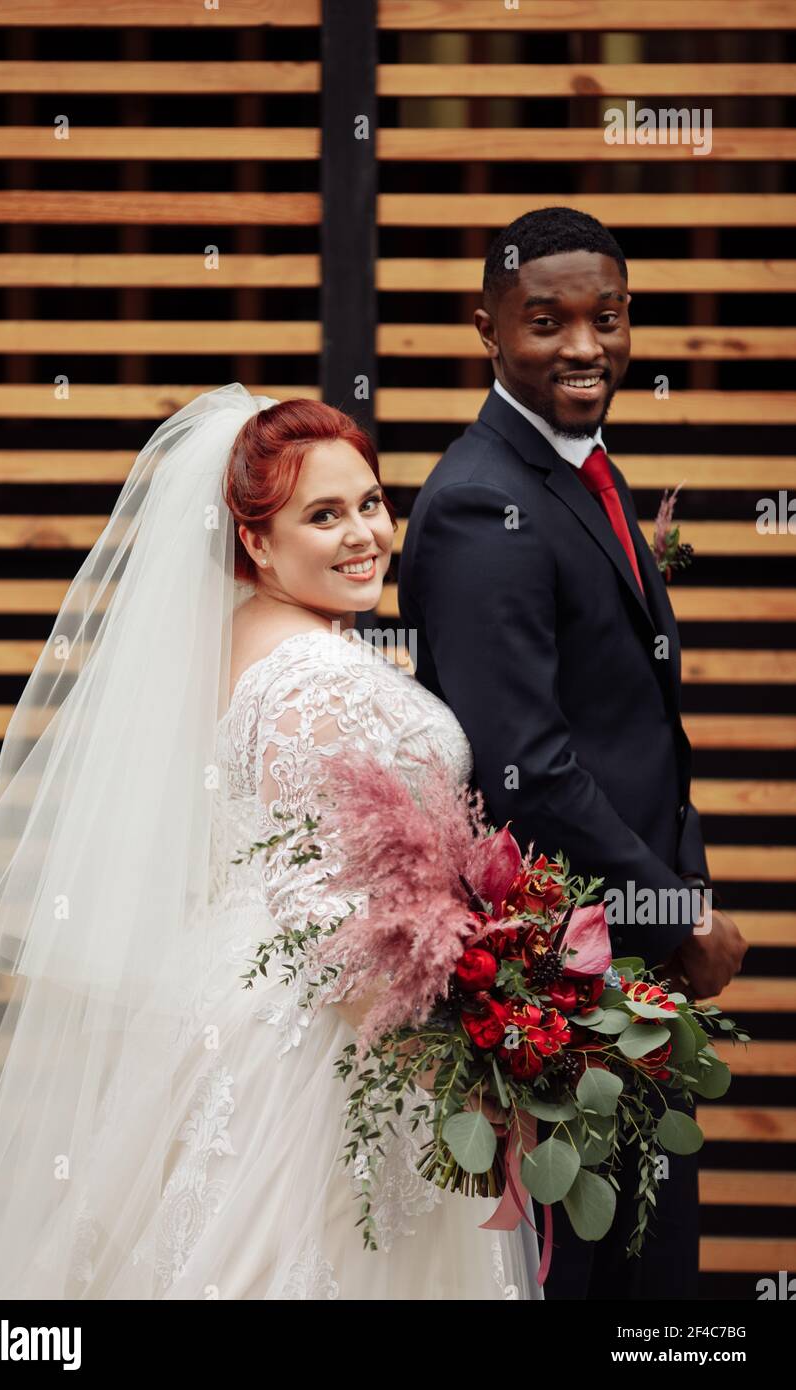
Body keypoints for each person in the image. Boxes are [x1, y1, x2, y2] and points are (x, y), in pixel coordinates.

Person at [0, 384, 541, 1300]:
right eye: (323, 516)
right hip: (331, 1050)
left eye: (369, 503)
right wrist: (460, 1063)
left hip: (266, 1005)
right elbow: (322, 912)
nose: (363, 534)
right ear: (255, 540)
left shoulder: (251, 640)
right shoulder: (308, 673)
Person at [398, 207, 747, 1300]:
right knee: (590, 1273)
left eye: (605, 317)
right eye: (544, 321)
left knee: (646, 1268)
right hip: (566, 978)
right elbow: (527, 769)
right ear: (486, 330)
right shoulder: (476, 504)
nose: (583, 346)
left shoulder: (578, 467)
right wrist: (671, 912)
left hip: (627, 960)